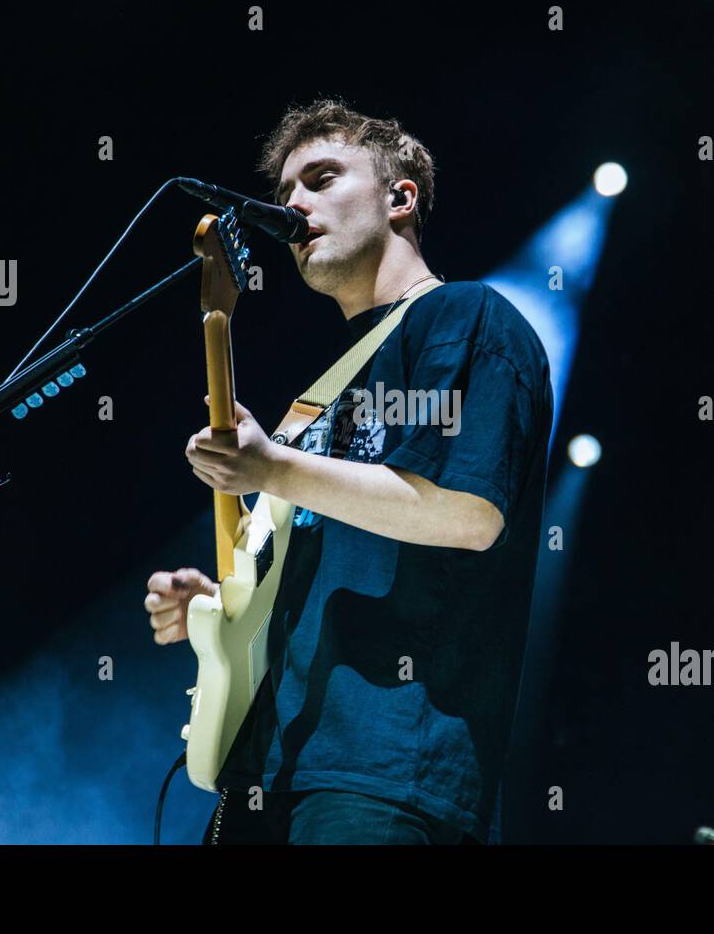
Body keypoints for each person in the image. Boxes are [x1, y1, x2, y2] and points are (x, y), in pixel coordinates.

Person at [144, 99, 553, 844]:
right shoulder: (322, 394)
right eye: (285, 192)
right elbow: (338, 552)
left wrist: (272, 467)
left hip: (384, 774)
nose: (293, 205)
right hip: (266, 770)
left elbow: (466, 514)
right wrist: (227, 606)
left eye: (322, 178)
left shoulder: (464, 317)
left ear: (401, 198)